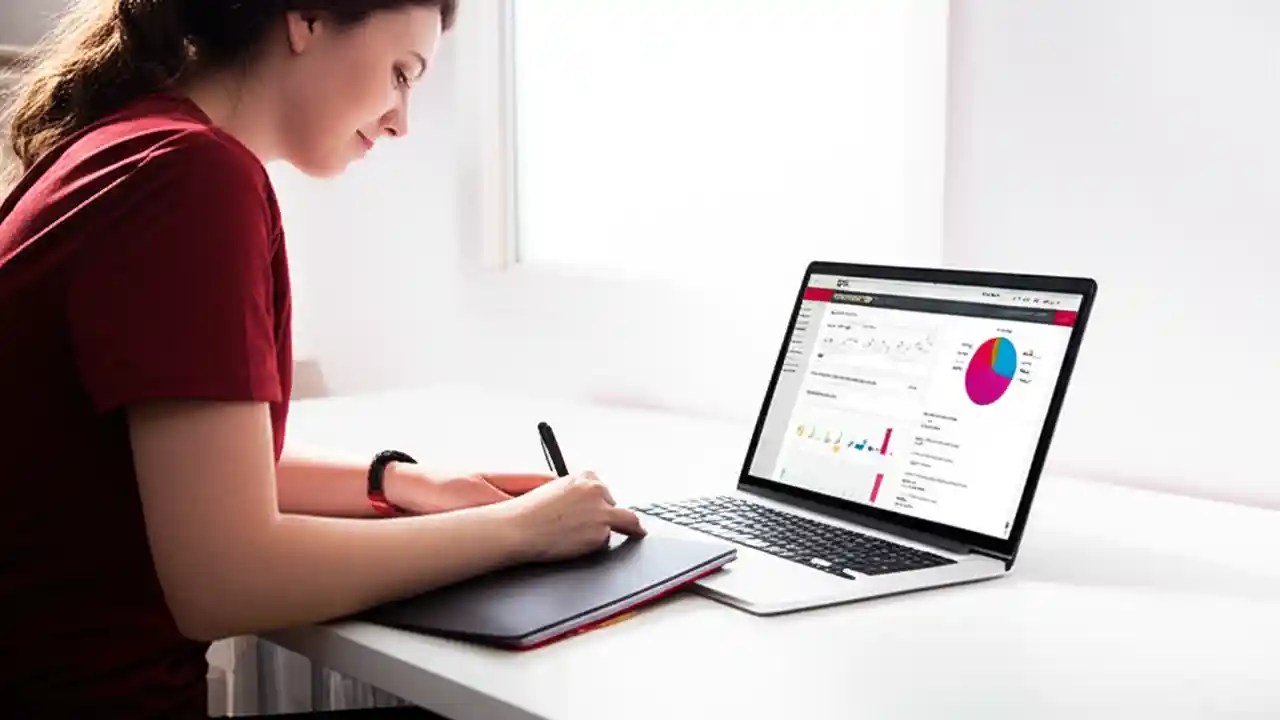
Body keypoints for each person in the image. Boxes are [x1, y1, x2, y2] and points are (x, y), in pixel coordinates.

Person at [0, 1, 646, 717]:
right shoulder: (191, 180)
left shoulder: (128, 147)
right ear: (304, 17)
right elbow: (225, 578)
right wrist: (518, 533)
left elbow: (189, 467)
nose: (403, 119)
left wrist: (405, 483)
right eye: (401, 73)